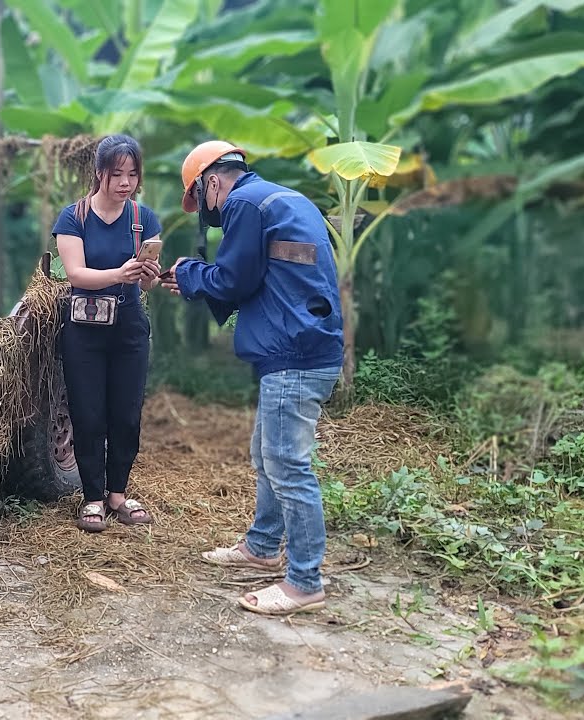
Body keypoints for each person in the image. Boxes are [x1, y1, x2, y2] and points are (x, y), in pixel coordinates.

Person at [160, 140, 344, 615]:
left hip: (294, 353)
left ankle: (305, 581)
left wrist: (189, 273)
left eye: (200, 201)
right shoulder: (283, 198)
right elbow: (263, 275)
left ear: (212, 183)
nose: (208, 212)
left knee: (286, 464)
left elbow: (234, 280)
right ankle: (262, 547)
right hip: (304, 346)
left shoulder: (243, 203)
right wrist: (200, 274)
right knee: (267, 455)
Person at [54, 134, 162, 532]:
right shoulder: (74, 217)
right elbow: (75, 274)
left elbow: (145, 286)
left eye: (132, 174)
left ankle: (118, 493)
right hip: (85, 328)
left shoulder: (143, 220)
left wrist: (147, 276)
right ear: (99, 173)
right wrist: (119, 273)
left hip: (130, 327)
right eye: (117, 174)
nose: (125, 182)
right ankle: (93, 498)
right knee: (88, 413)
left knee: (127, 414)